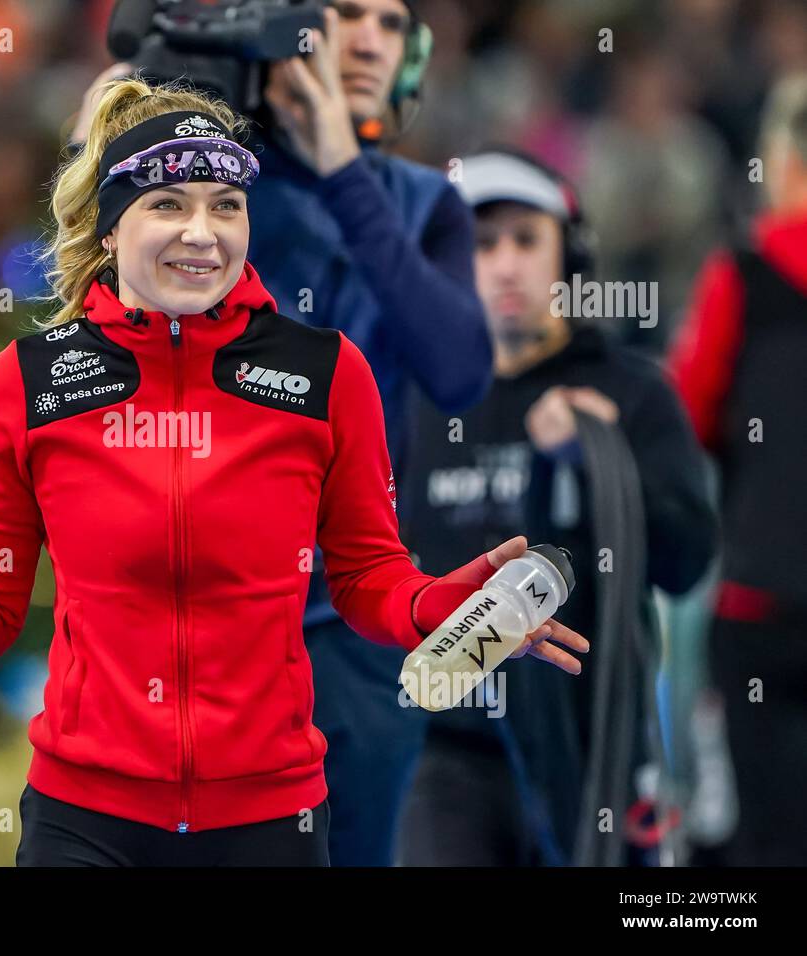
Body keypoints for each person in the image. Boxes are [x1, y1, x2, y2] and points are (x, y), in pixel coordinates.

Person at [0, 78, 587, 868]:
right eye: (168, 204)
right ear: (112, 230)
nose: (203, 231)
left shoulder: (325, 371)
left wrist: (441, 605)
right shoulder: (29, 382)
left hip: (270, 816)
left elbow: (364, 581)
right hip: (88, 821)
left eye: (226, 204)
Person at [396, 149, 716, 865]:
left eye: (524, 239)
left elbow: (686, 562)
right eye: (482, 244)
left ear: (566, 255)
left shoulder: (629, 392)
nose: (505, 264)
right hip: (454, 751)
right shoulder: (413, 398)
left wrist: (603, 457)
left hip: (596, 743)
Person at [252, 0, 493, 867]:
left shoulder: (422, 203)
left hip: (357, 631)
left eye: (390, 24)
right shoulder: (208, 187)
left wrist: (345, 172)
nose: (365, 40)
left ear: (413, 56)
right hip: (212, 614)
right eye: (341, 14)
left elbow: (459, 368)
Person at [667, 73, 807, 866]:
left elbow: (688, 418)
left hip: (762, 603)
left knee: (765, 841)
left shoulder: (744, 274)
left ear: (784, 162)